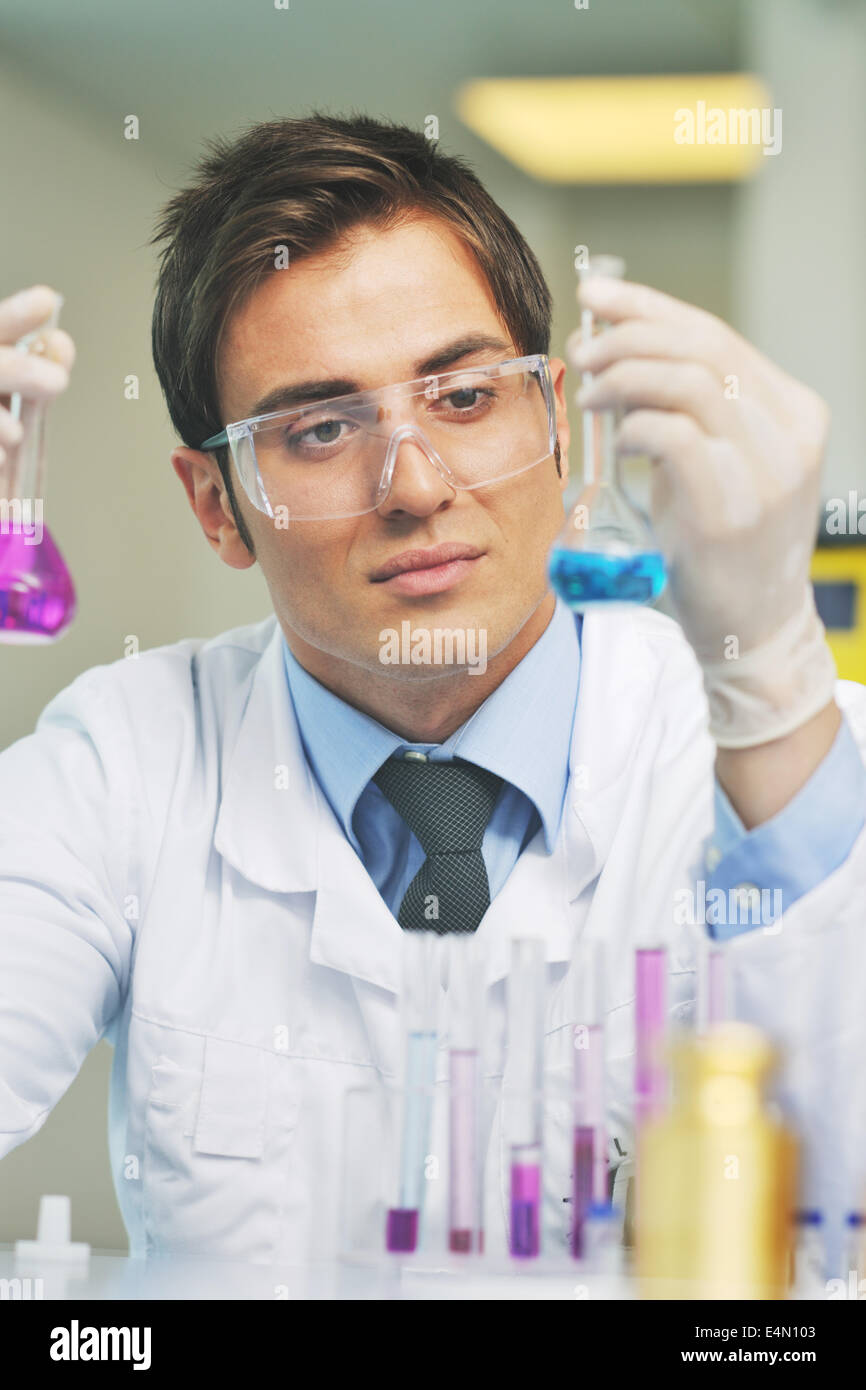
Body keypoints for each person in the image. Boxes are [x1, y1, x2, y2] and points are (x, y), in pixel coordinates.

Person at [0, 114, 864, 1265]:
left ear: (555, 421)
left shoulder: (767, 764)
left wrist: (768, 669)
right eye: (318, 426)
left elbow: (839, 1208)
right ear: (218, 506)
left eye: (462, 397)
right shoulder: (123, 761)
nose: (413, 486)